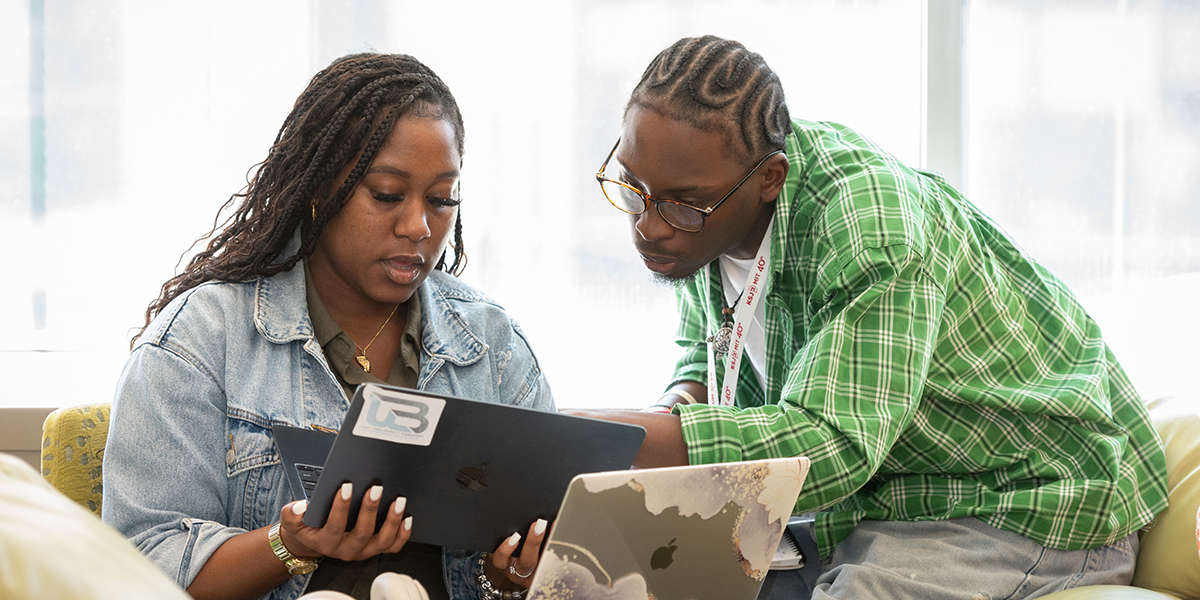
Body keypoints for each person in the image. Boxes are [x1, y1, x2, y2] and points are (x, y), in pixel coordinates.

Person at [573, 35, 1170, 599]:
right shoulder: (700, 202)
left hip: (1024, 498)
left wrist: (593, 437)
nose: (647, 225)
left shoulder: (870, 228)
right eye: (632, 186)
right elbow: (707, 359)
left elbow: (833, 444)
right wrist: (667, 411)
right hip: (876, 500)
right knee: (621, 574)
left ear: (769, 180)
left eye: (680, 203)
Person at [103, 53, 550, 600]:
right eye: (386, 194)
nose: (418, 226)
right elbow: (138, 570)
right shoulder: (198, 344)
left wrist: (509, 577)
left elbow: (542, 559)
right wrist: (288, 545)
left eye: (442, 200)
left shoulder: (494, 348)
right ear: (319, 190)